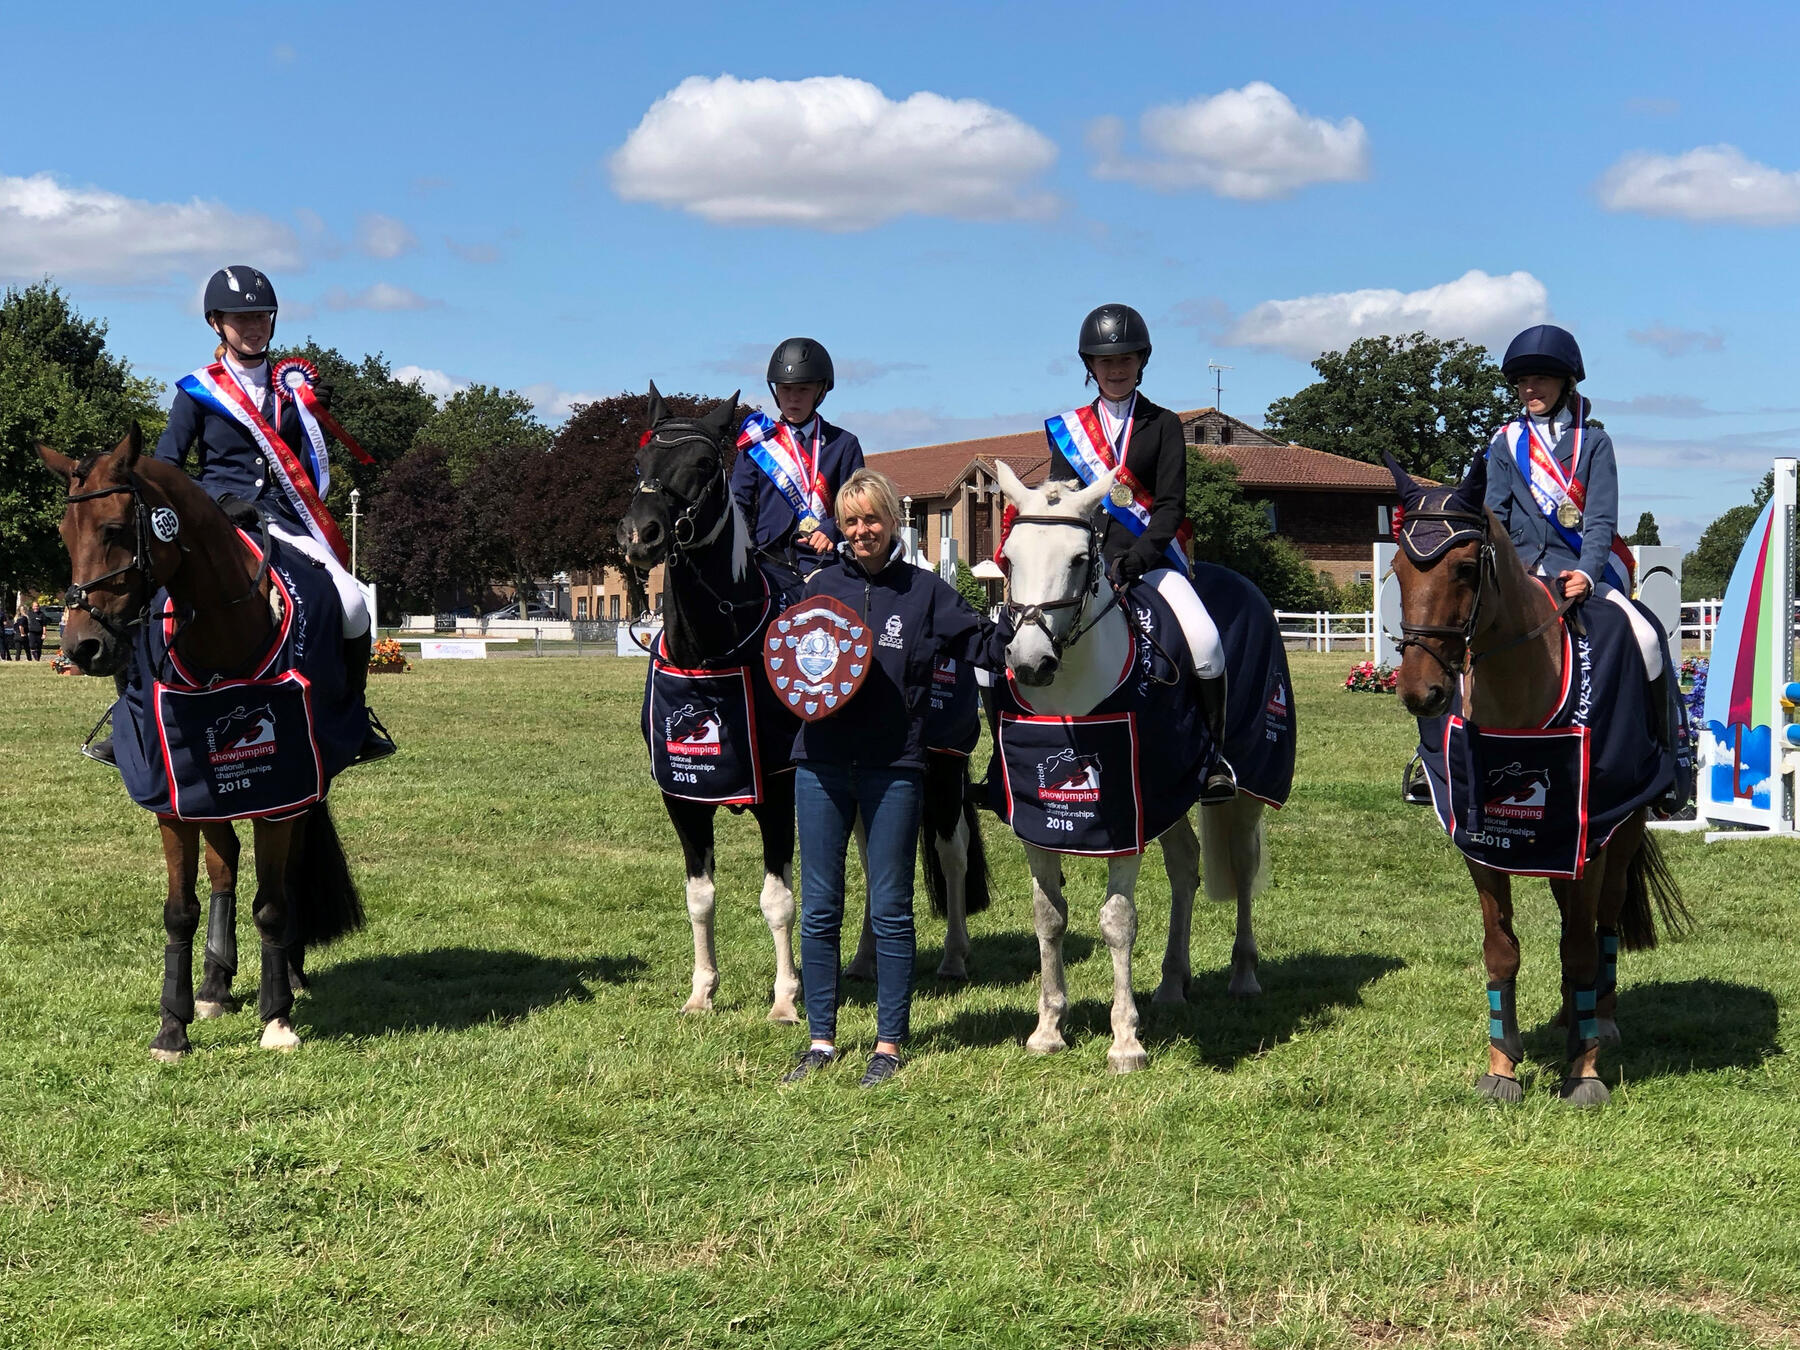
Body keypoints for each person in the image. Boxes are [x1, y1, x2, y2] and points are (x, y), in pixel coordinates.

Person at [78, 265, 388, 764]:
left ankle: (352, 716)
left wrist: (316, 422)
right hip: (214, 519)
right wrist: (212, 502)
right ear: (216, 323)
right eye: (241, 317)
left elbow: (303, 470)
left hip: (282, 519)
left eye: (262, 316)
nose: (254, 326)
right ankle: (130, 722)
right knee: (145, 604)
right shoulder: (197, 391)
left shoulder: (294, 389)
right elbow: (165, 468)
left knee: (351, 603)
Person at [780, 468, 1012, 1088]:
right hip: (820, 766)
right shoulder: (817, 588)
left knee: (890, 909)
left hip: (895, 767)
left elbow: (983, 647)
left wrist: (1023, 627)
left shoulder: (927, 593)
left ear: (892, 522)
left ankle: (888, 1044)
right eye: (851, 521)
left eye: (872, 519)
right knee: (821, 908)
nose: (862, 531)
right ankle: (821, 1041)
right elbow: (783, 664)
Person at [1044, 303, 1234, 802]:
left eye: (1127, 358)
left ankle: (1215, 758)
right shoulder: (1070, 430)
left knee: (1205, 639)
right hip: (1086, 566)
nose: (1117, 368)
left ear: (1142, 360)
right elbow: (1062, 502)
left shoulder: (1164, 424)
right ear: (1091, 366)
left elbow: (1171, 507)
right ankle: (1015, 745)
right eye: (1106, 361)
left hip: (1149, 563)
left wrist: (1134, 561)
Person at [1485, 324, 1670, 736]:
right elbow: (1493, 515)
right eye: (1523, 381)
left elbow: (1601, 520)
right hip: (1519, 575)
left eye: (1541, 379)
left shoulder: (1595, 443)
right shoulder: (1505, 443)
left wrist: (1586, 573)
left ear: (1565, 383)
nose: (1530, 389)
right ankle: (1443, 752)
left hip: (1576, 571)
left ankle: (1662, 750)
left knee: (1647, 640)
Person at [730, 338, 865, 575]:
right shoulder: (758, 444)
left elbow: (855, 505)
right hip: (767, 559)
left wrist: (831, 530)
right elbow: (739, 503)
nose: (793, 398)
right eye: (786, 389)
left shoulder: (844, 444)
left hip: (827, 560)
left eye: (803, 389)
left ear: (820, 392)